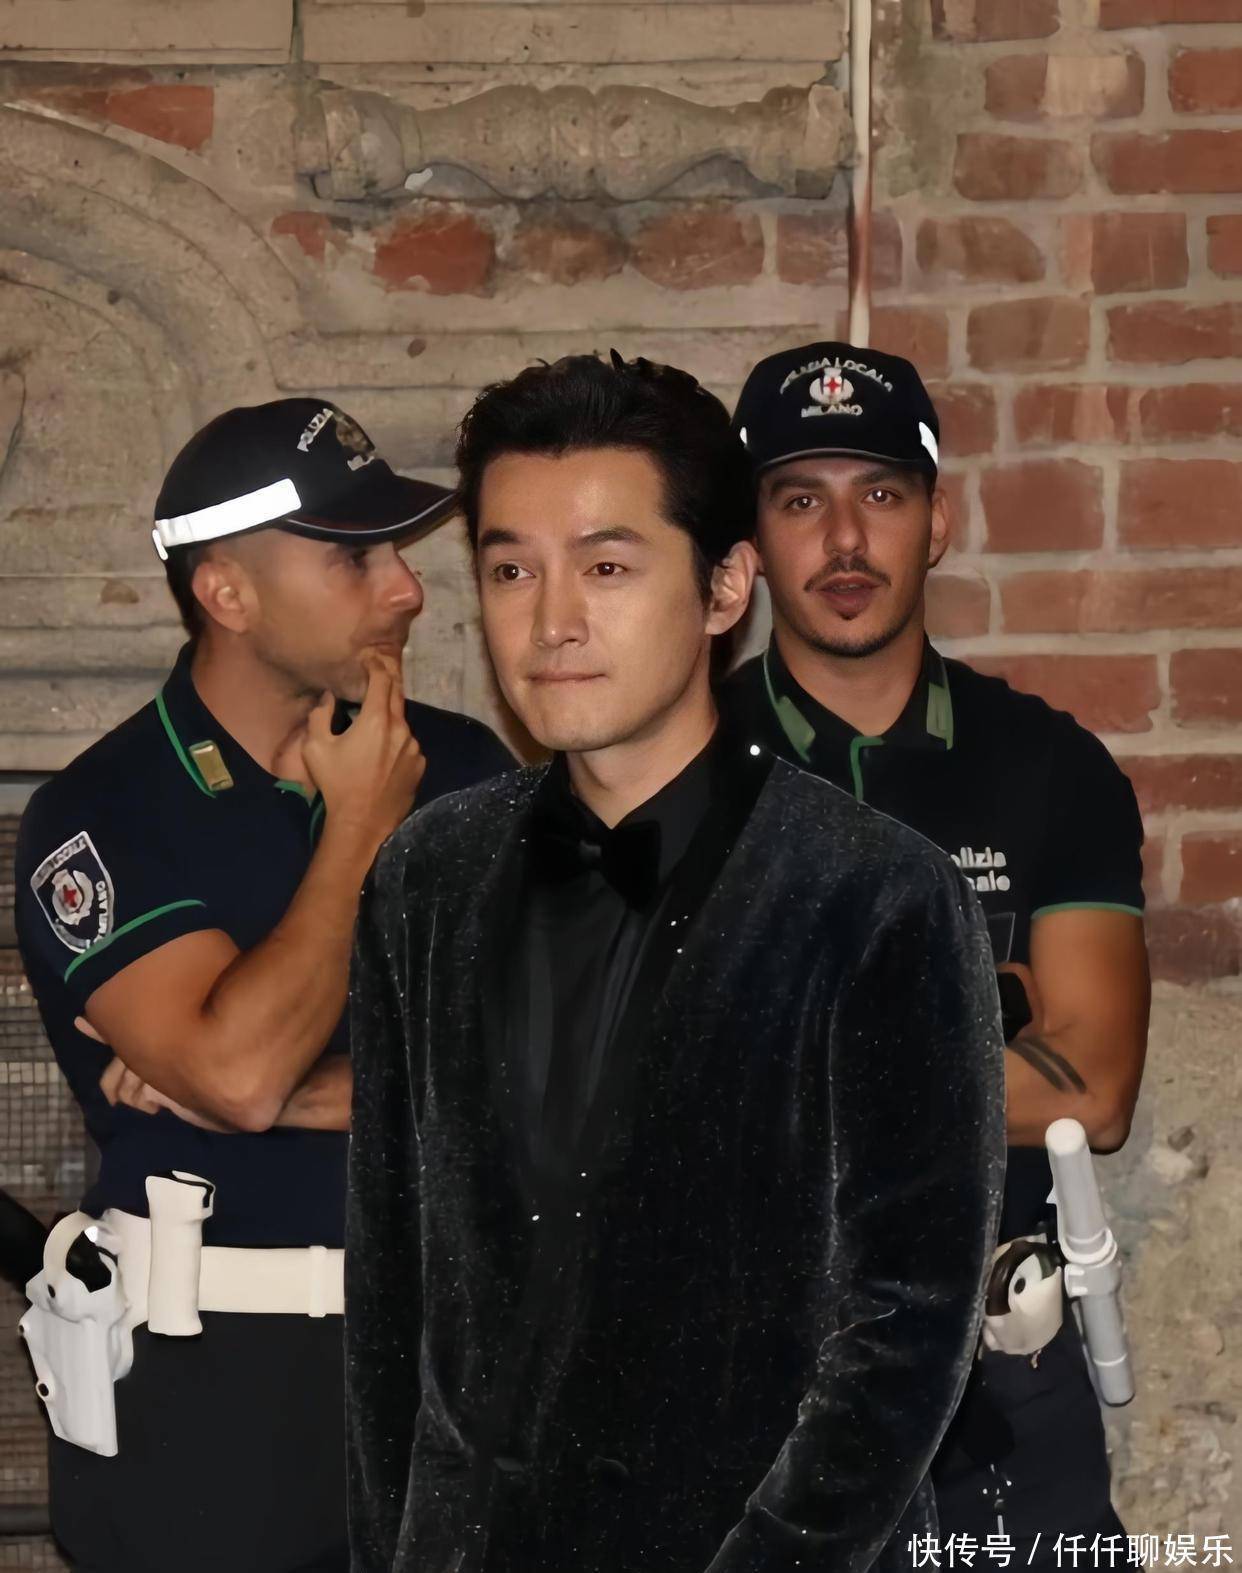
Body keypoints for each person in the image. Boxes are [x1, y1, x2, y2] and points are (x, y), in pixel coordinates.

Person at [345, 352, 1006, 1573]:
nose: (551, 620)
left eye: (606, 567)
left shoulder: (876, 896)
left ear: (724, 586)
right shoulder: (425, 877)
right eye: (510, 569)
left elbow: (906, 1332)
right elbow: (393, 1297)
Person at [14, 398, 513, 1573]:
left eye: (398, 553)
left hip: (456, 1373)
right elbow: (237, 1072)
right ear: (226, 594)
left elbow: (546, 1077)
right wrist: (360, 828)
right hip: (208, 1392)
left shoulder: (473, 772)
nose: (408, 590)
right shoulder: (102, 812)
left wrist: (292, 1090)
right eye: (355, 559)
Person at [723, 342, 1151, 1563]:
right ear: (748, 546)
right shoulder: (676, 771)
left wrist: (779, 1046)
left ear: (939, 523)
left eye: (881, 493)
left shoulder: (1048, 765)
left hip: (1005, 1383)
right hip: (743, 1378)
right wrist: (981, 1026)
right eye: (799, 500)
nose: (844, 539)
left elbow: (1096, 1091)